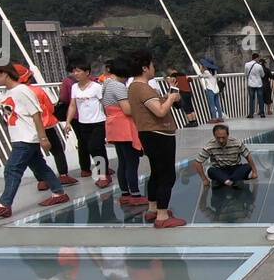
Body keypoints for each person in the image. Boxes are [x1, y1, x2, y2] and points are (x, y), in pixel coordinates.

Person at [0, 64, 70, 218]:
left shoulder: (22, 91)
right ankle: (59, 193)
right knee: (40, 167)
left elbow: (36, 114)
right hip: (20, 137)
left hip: (26, 138)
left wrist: (43, 138)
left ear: (5, 74)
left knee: (12, 169)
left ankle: (4, 205)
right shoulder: (7, 92)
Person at [128, 49, 186, 227]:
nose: (154, 69)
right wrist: (171, 98)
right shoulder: (142, 88)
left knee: (156, 172)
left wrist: (168, 95)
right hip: (159, 134)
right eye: (152, 66)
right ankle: (162, 216)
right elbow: (160, 111)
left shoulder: (133, 87)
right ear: (145, 68)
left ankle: (153, 208)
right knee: (167, 175)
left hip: (148, 134)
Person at [14, 64, 78, 190]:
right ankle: (63, 175)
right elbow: (50, 108)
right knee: (57, 150)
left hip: (27, 129)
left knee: (35, 155)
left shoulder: (14, 93)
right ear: (29, 77)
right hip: (45, 126)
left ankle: (41, 180)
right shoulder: (38, 91)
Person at [103, 59, 147, 206]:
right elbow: (127, 110)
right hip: (124, 128)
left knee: (123, 162)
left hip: (113, 127)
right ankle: (135, 194)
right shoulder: (118, 86)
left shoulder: (106, 84)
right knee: (131, 162)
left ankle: (125, 193)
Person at [63, 62, 111, 187]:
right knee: (94, 148)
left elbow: (104, 103)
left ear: (87, 72)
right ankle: (105, 172)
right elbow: (73, 105)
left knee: (95, 147)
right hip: (83, 123)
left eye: (78, 71)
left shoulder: (96, 87)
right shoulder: (74, 87)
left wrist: (110, 119)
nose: (76, 74)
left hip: (98, 122)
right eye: (74, 71)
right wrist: (68, 121)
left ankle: (103, 175)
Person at [193, 124, 258, 189]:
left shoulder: (236, 143)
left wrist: (254, 172)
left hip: (235, 168)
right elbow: (197, 162)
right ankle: (233, 182)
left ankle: (223, 181)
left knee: (247, 166)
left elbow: (247, 156)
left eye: (223, 137)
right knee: (211, 171)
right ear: (214, 136)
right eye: (218, 138)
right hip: (220, 169)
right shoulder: (210, 146)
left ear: (228, 135)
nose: (221, 140)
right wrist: (204, 179)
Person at [245, 53, 266, 118]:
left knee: (251, 99)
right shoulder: (259, 66)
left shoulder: (246, 64)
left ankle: (251, 114)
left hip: (250, 84)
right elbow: (263, 75)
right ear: (257, 58)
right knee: (260, 99)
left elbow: (246, 74)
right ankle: (262, 113)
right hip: (259, 84)